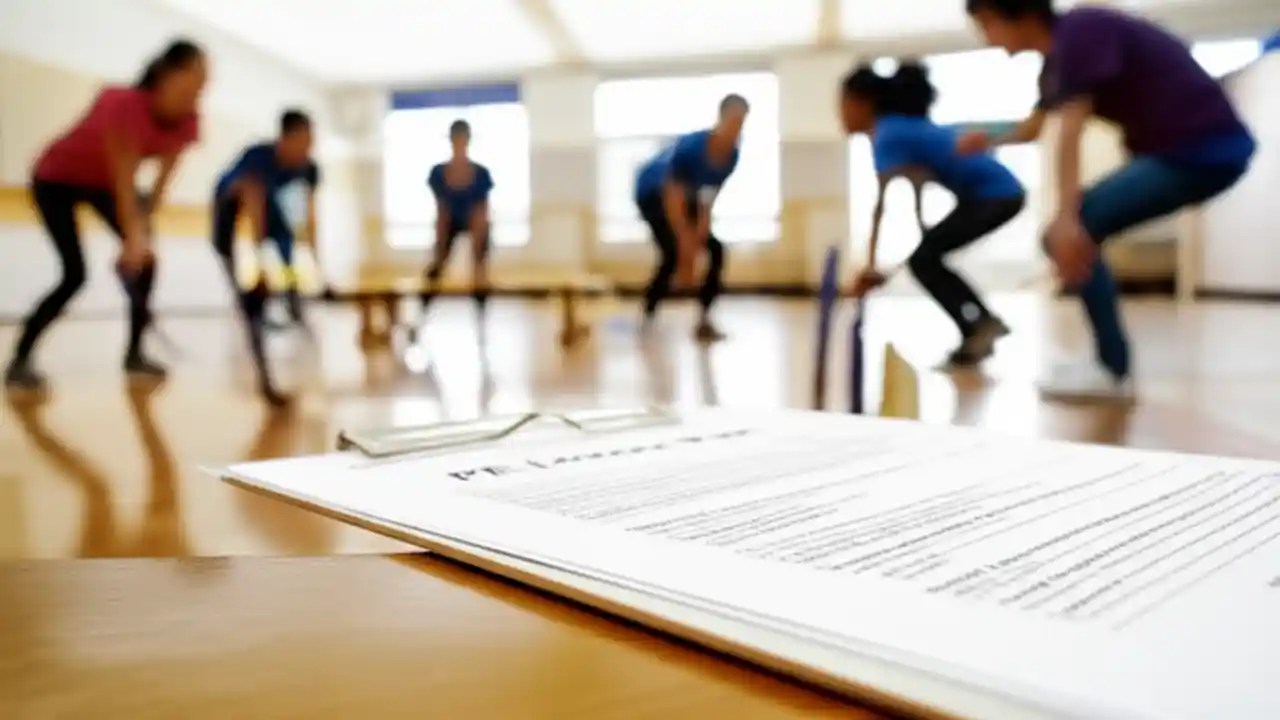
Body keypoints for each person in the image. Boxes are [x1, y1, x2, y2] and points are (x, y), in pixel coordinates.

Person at [963, 0, 1256, 401]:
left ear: (1018, 13)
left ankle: (1111, 370)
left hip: (1201, 150)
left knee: (1073, 230)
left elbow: (1068, 132)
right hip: (1188, 152)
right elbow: (1036, 127)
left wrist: (1067, 219)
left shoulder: (1080, 32)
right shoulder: (1058, 59)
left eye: (986, 23)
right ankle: (1108, 364)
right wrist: (991, 138)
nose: (986, 36)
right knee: (1070, 231)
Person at [5, 40, 205, 392]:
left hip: (104, 185)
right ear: (164, 74)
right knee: (74, 274)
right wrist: (132, 237)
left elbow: (157, 189)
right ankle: (19, 360)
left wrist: (140, 239)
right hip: (56, 179)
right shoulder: (120, 102)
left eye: (204, 83)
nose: (199, 91)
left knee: (147, 263)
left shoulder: (188, 122)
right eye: (193, 78)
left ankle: (135, 355)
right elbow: (124, 178)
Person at [841, 62, 1026, 366]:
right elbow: (915, 190)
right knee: (926, 258)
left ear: (863, 103)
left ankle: (981, 325)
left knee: (924, 259)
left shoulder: (888, 134)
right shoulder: (899, 130)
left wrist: (872, 266)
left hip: (994, 194)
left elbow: (884, 206)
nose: (841, 114)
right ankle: (981, 326)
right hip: (993, 193)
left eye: (843, 104)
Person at [212, 110, 321, 406]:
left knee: (289, 268)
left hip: (270, 213)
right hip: (231, 216)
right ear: (284, 139)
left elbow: (310, 217)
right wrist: (258, 265)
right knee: (253, 300)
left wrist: (314, 262)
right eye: (303, 141)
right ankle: (265, 380)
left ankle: (291, 304)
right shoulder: (257, 158)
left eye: (312, 142)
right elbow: (252, 209)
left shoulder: (308, 168)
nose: (308, 149)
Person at [634, 94, 747, 342]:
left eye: (741, 123)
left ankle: (704, 320)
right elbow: (672, 196)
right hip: (652, 193)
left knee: (715, 250)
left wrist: (700, 233)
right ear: (721, 118)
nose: (737, 128)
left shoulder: (731, 157)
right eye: (733, 121)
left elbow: (708, 198)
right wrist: (686, 244)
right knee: (673, 254)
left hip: (689, 197)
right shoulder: (691, 148)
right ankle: (647, 317)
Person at [420, 119, 494, 320]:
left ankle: (481, 318)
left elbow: (481, 212)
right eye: (456, 140)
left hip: (474, 221)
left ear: (467, 141)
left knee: (480, 272)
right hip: (450, 221)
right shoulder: (439, 173)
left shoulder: (480, 174)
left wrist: (479, 251)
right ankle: (423, 314)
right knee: (436, 267)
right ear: (451, 141)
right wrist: (440, 250)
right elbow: (442, 212)